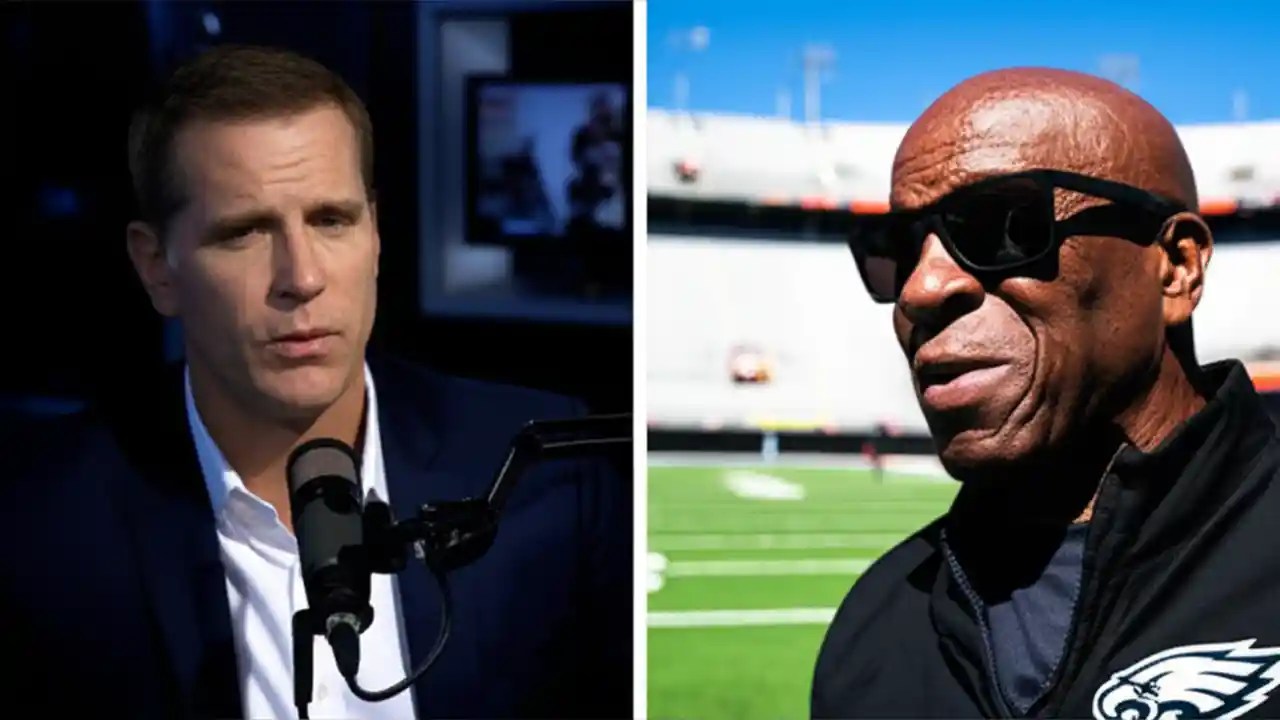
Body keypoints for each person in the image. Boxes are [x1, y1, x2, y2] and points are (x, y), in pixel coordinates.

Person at [0, 45, 630, 720]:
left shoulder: (549, 476)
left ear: (377, 236)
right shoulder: (36, 523)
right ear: (157, 267)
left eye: (331, 221)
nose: (301, 277)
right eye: (243, 233)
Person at [812, 67, 1280, 719]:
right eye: (897, 248)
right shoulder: (873, 632)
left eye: (1003, 225)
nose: (921, 290)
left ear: (1175, 268)